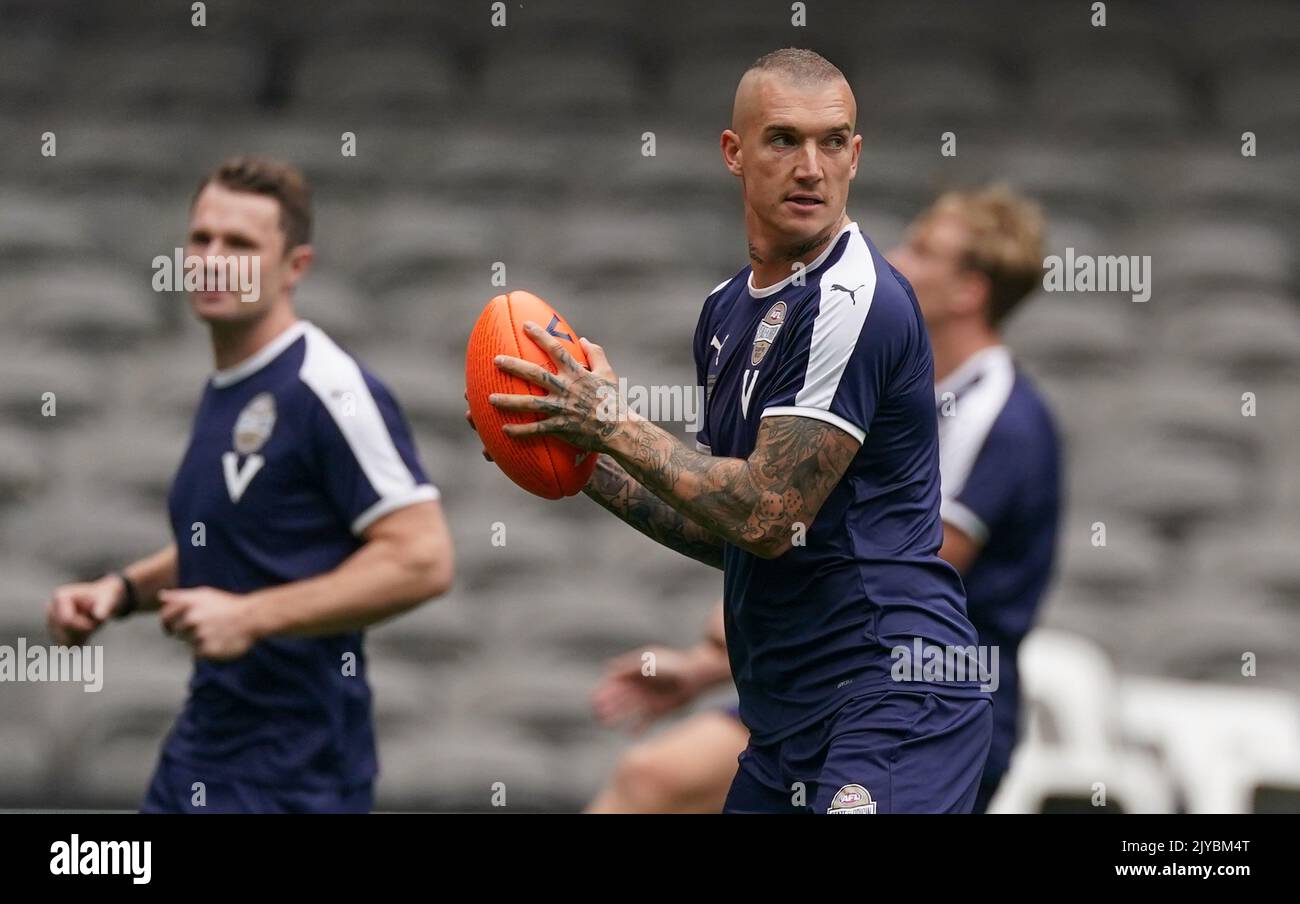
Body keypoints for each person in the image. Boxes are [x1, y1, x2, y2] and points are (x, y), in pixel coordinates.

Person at [475, 49, 991, 813]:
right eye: (784, 139)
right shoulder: (725, 311)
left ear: (856, 154)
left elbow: (766, 513)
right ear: (734, 153)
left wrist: (612, 424)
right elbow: (729, 530)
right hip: (787, 713)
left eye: (833, 141)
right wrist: (576, 452)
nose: (811, 166)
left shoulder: (856, 300)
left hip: (892, 698)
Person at [583, 185, 1062, 815]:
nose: (898, 258)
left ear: (971, 290)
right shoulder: (883, 388)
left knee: (655, 779)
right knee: (652, 778)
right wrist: (585, 462)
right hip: (827, 680)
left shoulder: (999, 416)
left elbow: (898, 557)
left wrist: (710, 658)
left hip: (917, 692)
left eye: (924, 250)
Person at [46, 156, 455, 814]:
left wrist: (249, 617)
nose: (214, 258)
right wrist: (119, 592)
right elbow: (245, 543)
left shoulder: (329, 389)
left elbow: (424, 558)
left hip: (296, 772)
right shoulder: (227, 388)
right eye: (201, 238)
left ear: (296, 267)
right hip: (205, 749)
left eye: (240, 244)